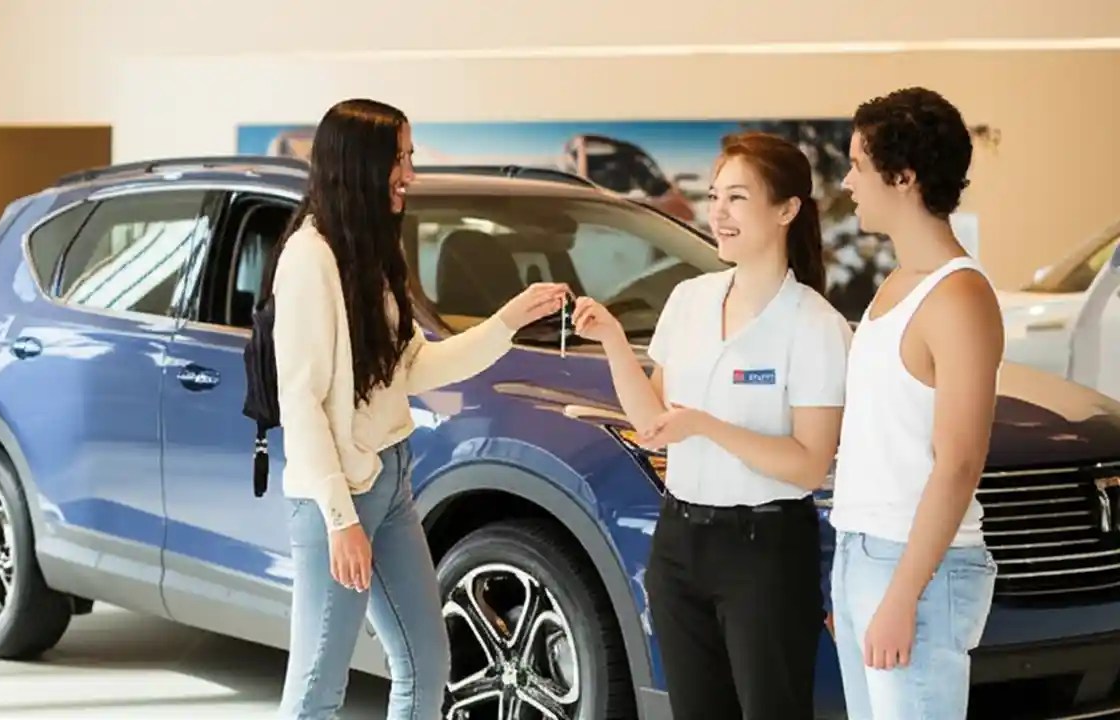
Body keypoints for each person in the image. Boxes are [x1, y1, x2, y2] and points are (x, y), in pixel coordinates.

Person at [268, 98, 568, 719]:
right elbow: (300, 402)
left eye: (408, 156)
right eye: (398, 158)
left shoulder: (371, 251)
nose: (409, 173)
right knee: (318, 687)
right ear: (359, 164)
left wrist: (507, 321)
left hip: (392, 481)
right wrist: (340, 520)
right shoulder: (310, 259)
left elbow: (414, 368)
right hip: (339, 497)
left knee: (425, 664)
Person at [573, 131, 853, 719]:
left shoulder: (815, 325)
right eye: (714, 196)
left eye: (737, 198)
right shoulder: (689, 299)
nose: (718, 213)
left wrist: (706, 426)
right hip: (679, 543)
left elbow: (809, 463)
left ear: (786, 210)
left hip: (766, 552)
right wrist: (614, 342)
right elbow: (653, 422)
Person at [828, 87, 1004, 719]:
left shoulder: (960, 298)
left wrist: (901, 595)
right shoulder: (898, 284)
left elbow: (959, 462)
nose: (847, 182)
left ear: (903, 177)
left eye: (857, 165)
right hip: (863, 551)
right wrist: (850, 576)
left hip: (916, 567)